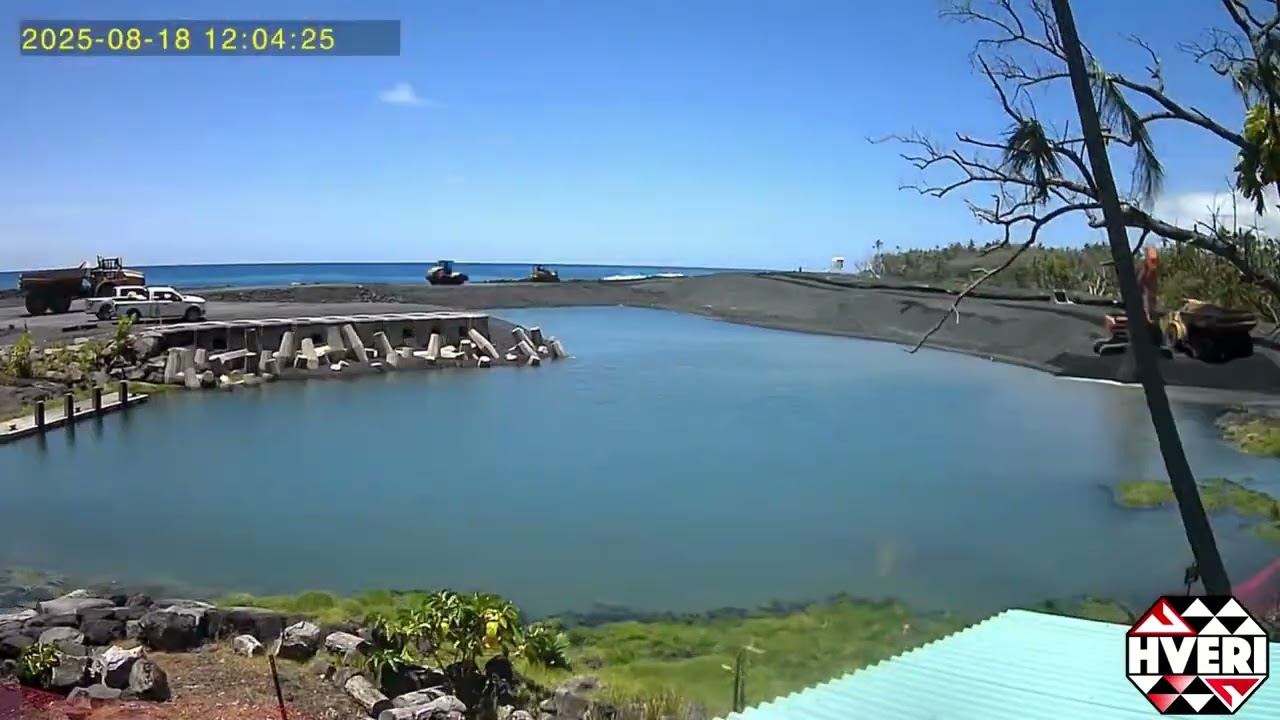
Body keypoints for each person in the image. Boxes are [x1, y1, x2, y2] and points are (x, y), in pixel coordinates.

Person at [1137, 245, 1160, 325]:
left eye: (1156, 260)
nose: (1155, 263)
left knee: (1151, 295)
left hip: (1148, 288)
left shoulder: (1154, 270)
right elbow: (1140, 286)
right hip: (1138, 291)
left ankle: (1151, 315)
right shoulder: (1142, 267)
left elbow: (1153, 289)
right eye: (1152, 260)